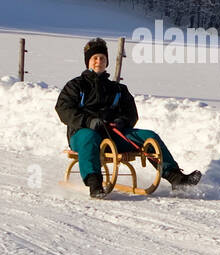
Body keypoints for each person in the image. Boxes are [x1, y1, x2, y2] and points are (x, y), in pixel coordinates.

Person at [56, 38, 202, 198]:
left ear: (107, 62)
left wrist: (122, 122)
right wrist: (88, 121)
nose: (99, 61)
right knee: (90, 137)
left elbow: (131, 113)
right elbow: (63, 109)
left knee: (149, 136)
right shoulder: (75, 86)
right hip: (82, 133)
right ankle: (95, 184)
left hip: (113, 134)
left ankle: (176, 177)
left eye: (102, 58)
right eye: (95, 58)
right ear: (88, 62)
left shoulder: (117, 89)